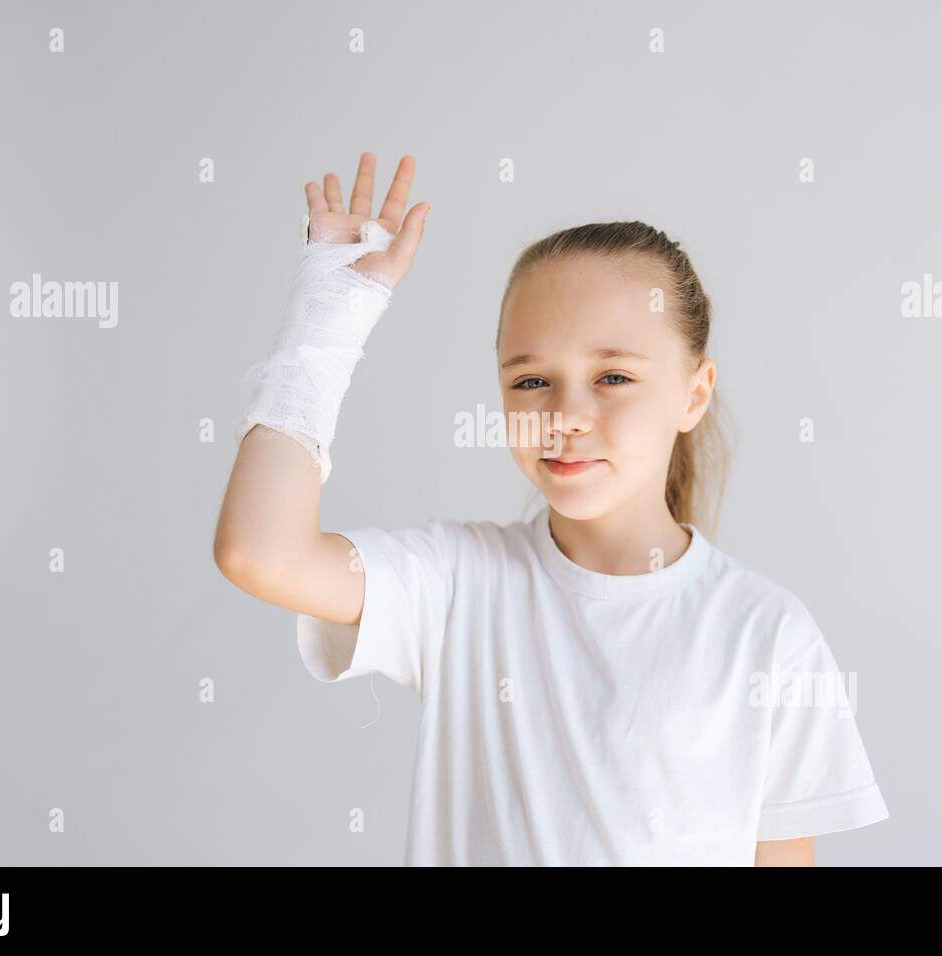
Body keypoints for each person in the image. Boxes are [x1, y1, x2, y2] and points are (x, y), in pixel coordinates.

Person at [214, 151, 889, 866]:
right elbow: (259, 551)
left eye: (614, 376)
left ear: (694, 392)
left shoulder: (768, 636)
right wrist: (329, 322)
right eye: (533, 379)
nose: (566, 415)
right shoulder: (458, 584)